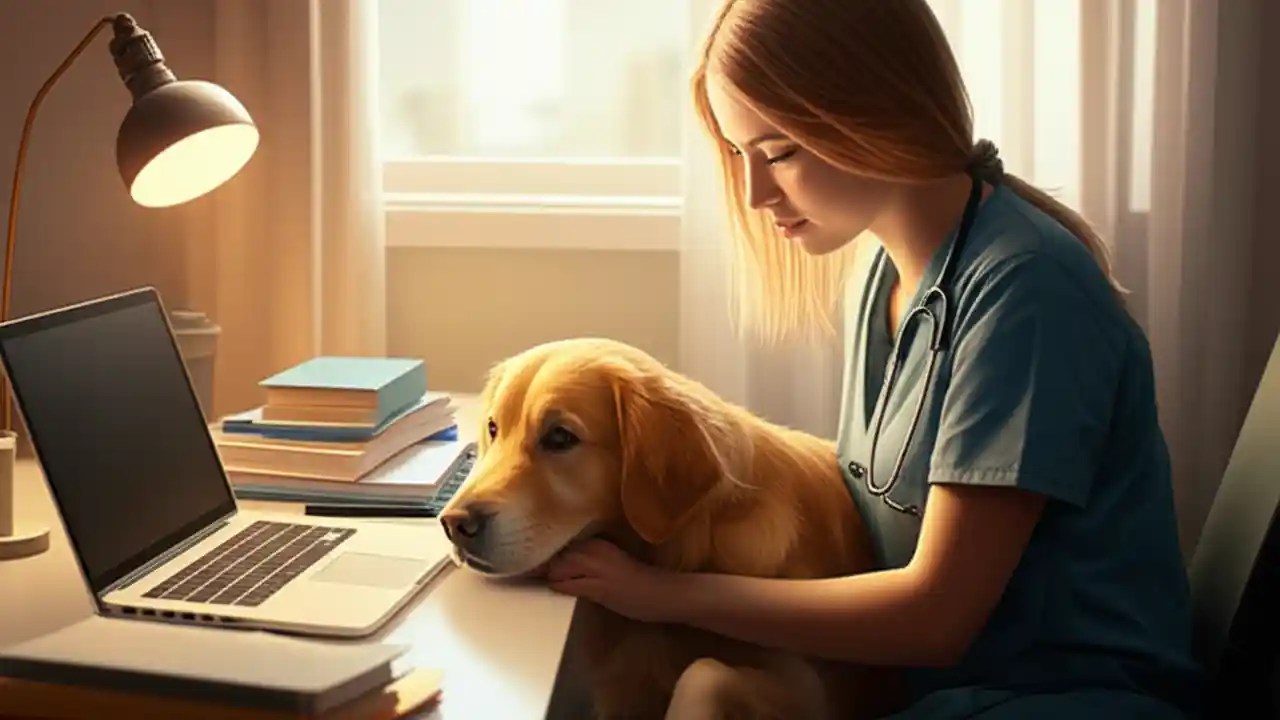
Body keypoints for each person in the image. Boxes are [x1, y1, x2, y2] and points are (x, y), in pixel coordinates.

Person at [545, 0, 1206, 718]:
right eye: (740, 156)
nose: (755, 194)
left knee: (698, 692)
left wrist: (662, 594)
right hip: (935, 690)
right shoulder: (886, 274)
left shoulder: (1027, 291)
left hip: (1053, 700)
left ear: (876, 109)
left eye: (781, 153)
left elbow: (934, 616)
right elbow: (868, 501)